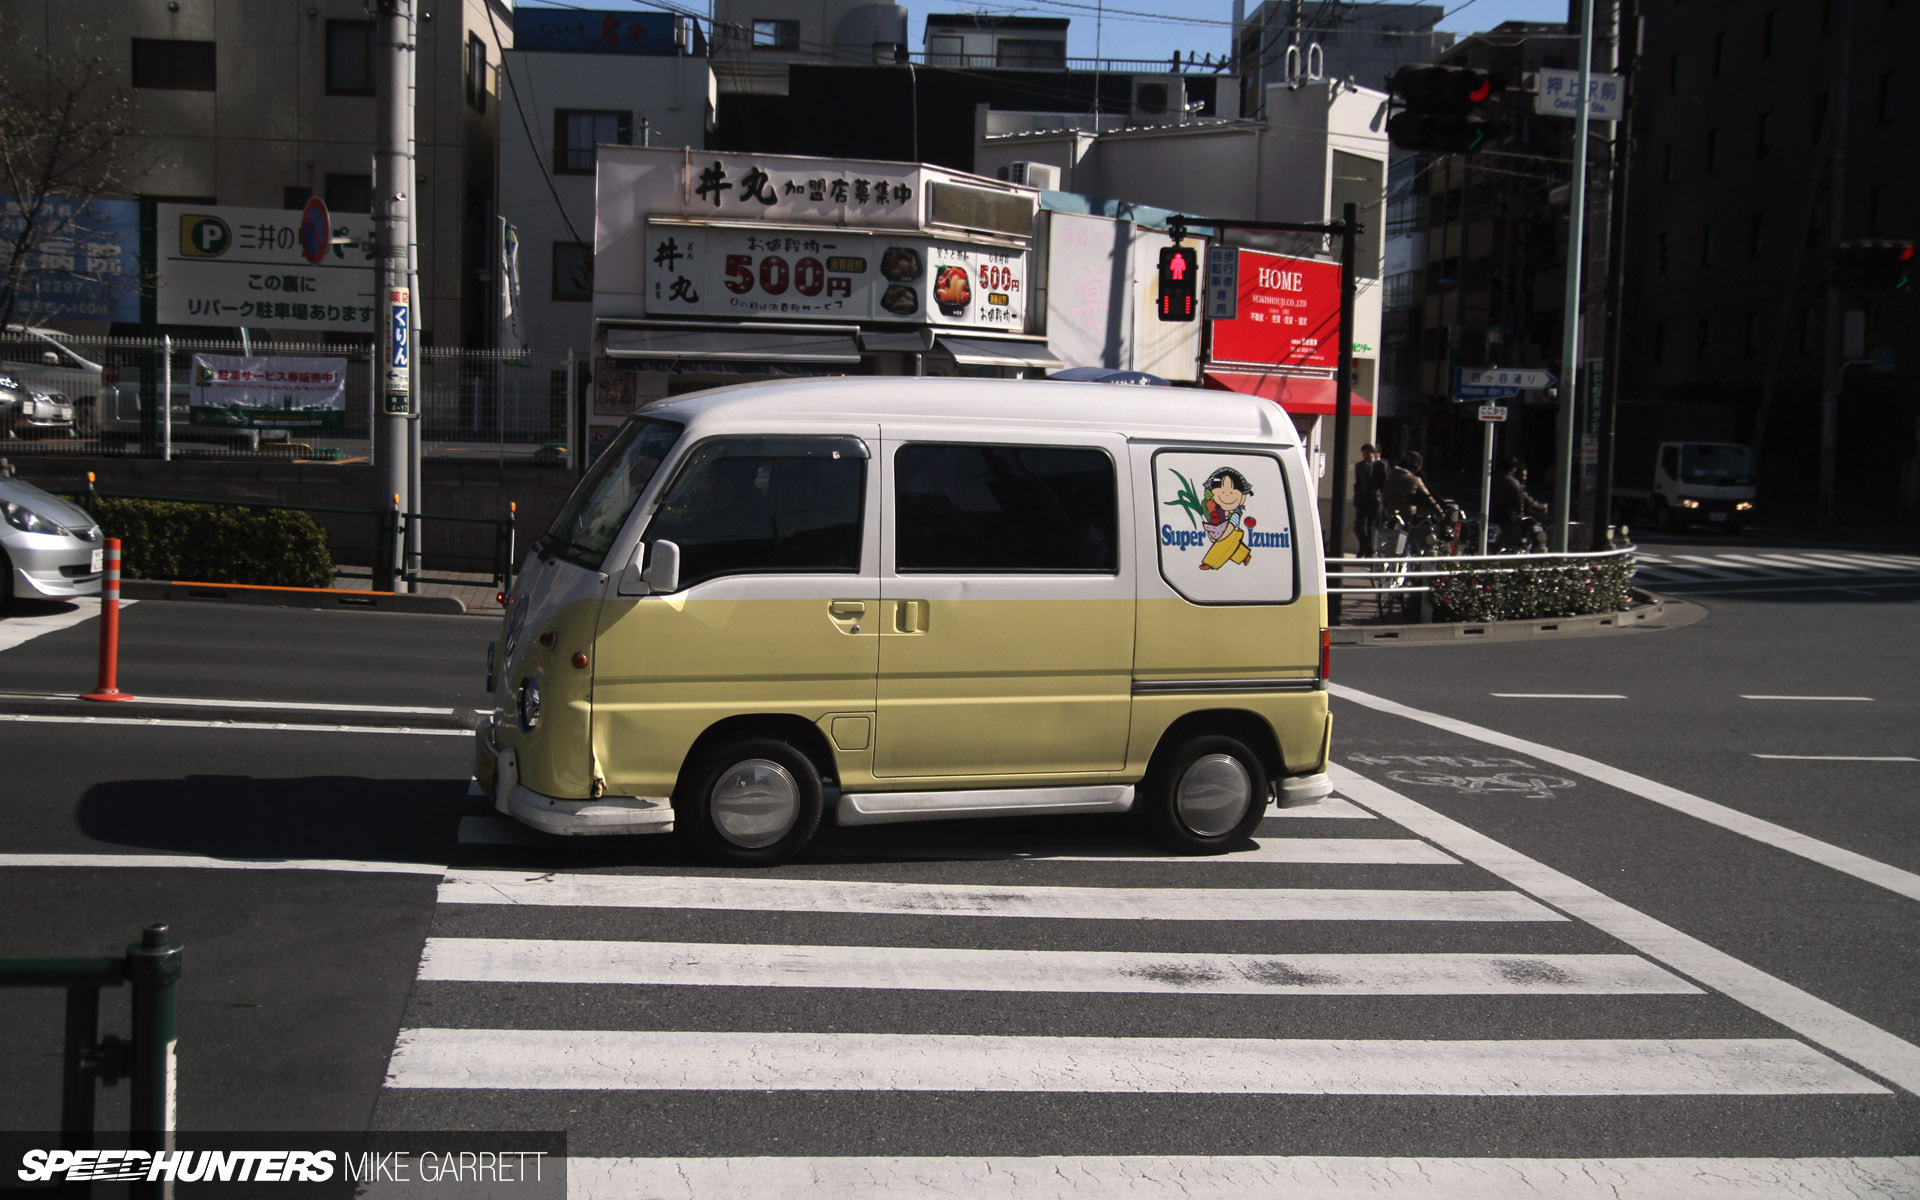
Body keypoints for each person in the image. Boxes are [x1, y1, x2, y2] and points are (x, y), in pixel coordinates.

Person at [1491, 457, 1549, 549]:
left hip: (1495, 514)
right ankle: (1524, 544)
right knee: (1530, 524)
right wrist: (1523, 513)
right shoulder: (1514, 483)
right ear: (1514, 468)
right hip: (1509, 517)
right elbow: (1523, 502)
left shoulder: (1494, 479)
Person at [1351, 443, 1387, 555]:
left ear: (1373, 454)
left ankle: (1369, 551)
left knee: (1371, 526)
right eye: (1364, 454)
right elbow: (1358, 483)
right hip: (1362, 500)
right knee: (1358, 525)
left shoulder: (1381, 465)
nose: (1365, 457)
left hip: (1375, 500)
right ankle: (1364, 544)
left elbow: (1385, 483)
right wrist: (1356, 495)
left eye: (1367, 454)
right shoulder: (1359, 466)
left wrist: (1382, 497)